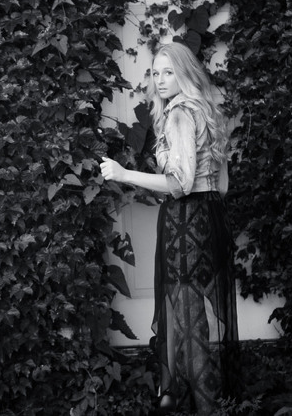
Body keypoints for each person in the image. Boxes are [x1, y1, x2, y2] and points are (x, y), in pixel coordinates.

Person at [100, 42, 240, 415]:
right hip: (209, 219)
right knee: (189, 315)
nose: (160, 80)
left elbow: (179, 184)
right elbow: (223, 185)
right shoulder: (208, 110)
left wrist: (124, 174)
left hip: (185, 223)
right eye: (156, 73)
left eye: (169, 72)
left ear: (184, 74)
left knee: (189, 324)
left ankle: (205, 407)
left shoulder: (179, 114)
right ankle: (175, 392)